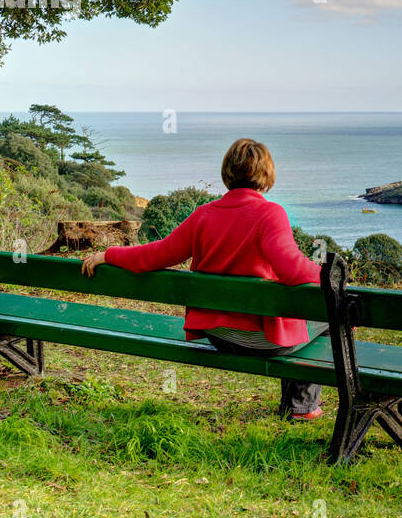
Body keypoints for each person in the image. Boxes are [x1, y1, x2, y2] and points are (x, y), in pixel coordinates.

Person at [81, 138, 325, 419]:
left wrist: (109, 255)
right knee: (331, 318)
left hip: (217, 335)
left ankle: (298, 406)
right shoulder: (271, 214)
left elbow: (155, 254)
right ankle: (301, 406)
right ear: (266, 175)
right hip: (263, 339)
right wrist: (330, 279)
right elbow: (292, 269)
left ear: (228, 173)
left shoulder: (204, 215)